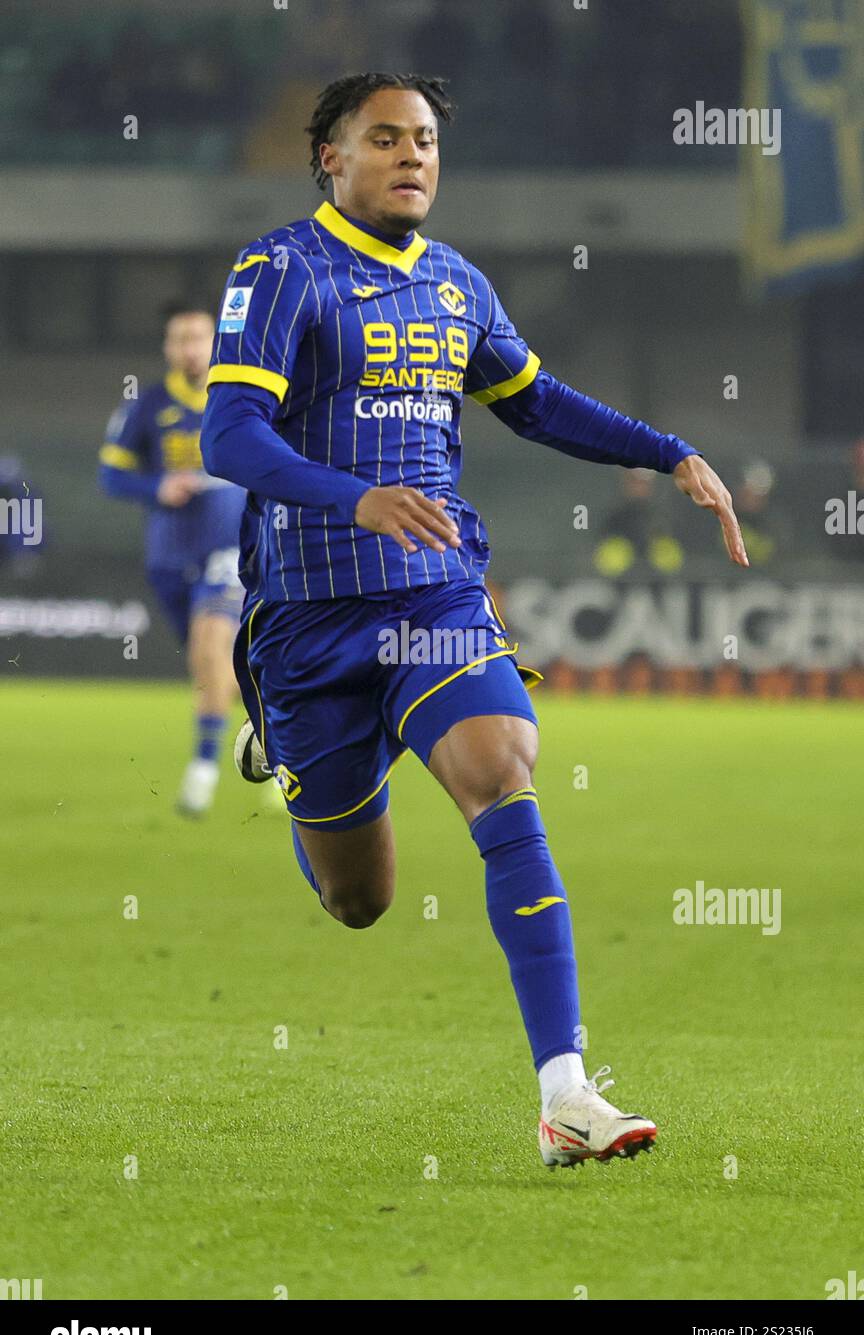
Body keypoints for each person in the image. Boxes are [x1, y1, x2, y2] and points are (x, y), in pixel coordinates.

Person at [201, 74, 748, 1168]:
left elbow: (538, 402)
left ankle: (565, 1094)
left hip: (433, 596)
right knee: (359, 900)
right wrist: (348, 493)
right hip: (306, 622)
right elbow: (228, 435)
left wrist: (668, 450)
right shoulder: (281, 272)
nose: (413, 157)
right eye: (386, 139)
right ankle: (285, 740)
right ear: (331, 158)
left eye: (428, 141)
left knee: (504, 765)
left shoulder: (456, 285)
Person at [99, 304, 246, 815]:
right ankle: (279, 746)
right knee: (217, 667)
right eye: (179, 338)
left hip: (229, 551)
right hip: (169, 557)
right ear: (167, 347)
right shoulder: (147, 405)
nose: (189, 348)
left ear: (217, 340)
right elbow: (111, 475)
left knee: (212, 648)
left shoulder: (242, 398)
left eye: (198, 337)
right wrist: (158, 485)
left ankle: (202, 773)